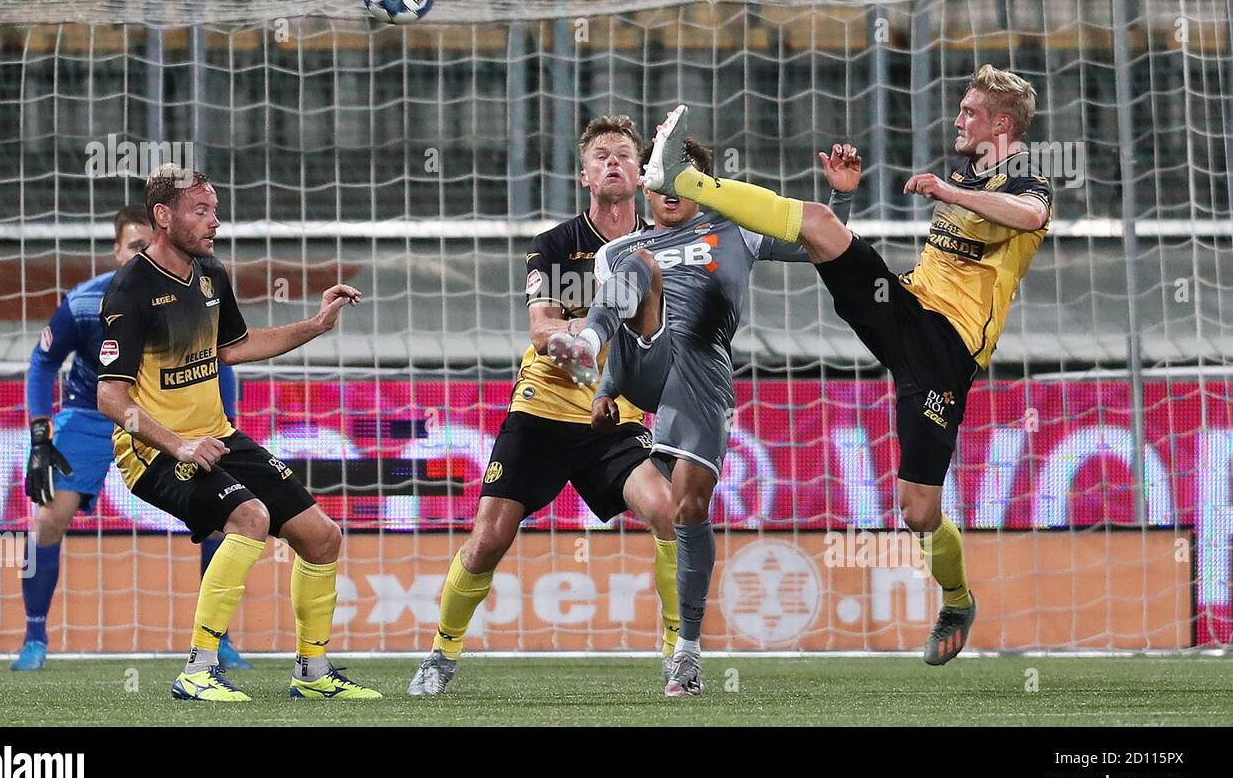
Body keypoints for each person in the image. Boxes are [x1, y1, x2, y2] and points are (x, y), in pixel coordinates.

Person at [642, 65, 1052, 665]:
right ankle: (686, 178)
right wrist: (869, 194)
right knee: (819, 222)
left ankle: (957, 599)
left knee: (917, 511)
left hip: (945, 351)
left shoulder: (1025, 179)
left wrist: (950, 193)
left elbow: (1031, 216)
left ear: (1002, 124)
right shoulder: (968, 170)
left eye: (970, 112)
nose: (958, 119)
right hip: (905, 306)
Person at [548, 134, 856, 696]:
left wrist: (841, 198)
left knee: (688, 509)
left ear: (702, 186)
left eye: (683, 177)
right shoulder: (621, 251)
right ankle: (585, 343)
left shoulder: (737, 229)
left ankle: (686, 654)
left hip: (700, 376)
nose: (670, 188)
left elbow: (823, 243)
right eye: (662, 176)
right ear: (647, 186)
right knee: (640, 267)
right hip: (641, 364)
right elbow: (624, 320)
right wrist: (603, 391)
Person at [408, 115, 680, 696]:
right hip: (543, 410)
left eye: (624, 154)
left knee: (667, 509)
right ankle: (441, 654)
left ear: (641, 174)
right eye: (601, 155)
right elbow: (540, 330)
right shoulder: (555, 245)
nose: (613, 162)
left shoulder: (659, 249)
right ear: (584, 175)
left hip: (613, 417)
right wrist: (591, 333)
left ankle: (680, 655)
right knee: (488, 540)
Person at [97, 164, 377, 702]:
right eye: (201, 211)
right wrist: (179, 444)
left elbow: (234, 347)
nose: (215, 222)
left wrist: (315, 325)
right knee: (249, 517)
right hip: (155, 452)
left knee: (322, 537)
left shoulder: (209, 272)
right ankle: (197, 671)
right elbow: (110, 397)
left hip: (217, 435)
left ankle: (312, 673)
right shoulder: (130, 289)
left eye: (215, 210)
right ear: (163, 216)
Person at [16, 204, 247, 673]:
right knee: (48, 518)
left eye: (153, 245)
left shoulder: (190, 296)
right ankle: (34, 638)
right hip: (91, 413)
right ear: (118, 250)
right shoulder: (84, 302)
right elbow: (43, 363)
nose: (145, 254)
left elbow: (218, 360)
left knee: (222, 518)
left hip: (169, 417)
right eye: (136, 246)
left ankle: (217, 639)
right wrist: (41, 434)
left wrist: (225, 421)